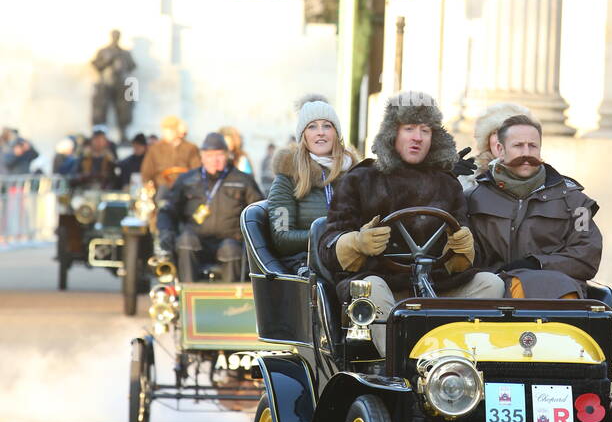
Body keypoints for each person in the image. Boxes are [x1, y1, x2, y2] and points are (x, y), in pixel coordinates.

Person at [319, 90, 504, 354]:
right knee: (372, 287)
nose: (417, 137)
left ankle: (459, 360)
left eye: (425, 130)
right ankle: (399, 365)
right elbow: (328, 244)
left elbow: (462, 251)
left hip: (436, 286)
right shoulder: (361, 179)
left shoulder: (447, 184)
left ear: (434, 138)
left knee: (491, 284)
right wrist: (358, 243)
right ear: (393, 133)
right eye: (409, 128)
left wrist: (462, 249)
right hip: (378, 285)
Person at [468, 114, 602, 298]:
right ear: (500, 149)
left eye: (532, 146)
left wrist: (536, 264)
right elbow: (462, 258)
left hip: (558, 299)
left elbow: (587, 255)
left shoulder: (576, 202)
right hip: (490, 301)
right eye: (518, 146)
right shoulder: (472, 200)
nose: (526, 153)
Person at [157, 132, 262, 283]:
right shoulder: (187, 180)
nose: (215, 160)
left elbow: (258, 210)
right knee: (185, 242)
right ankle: (187, 297)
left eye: (219, 155)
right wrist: (166, 231)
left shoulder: (243, 180)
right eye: (210, 155)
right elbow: (168, 210)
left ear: (227, 155)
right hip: (196, 241)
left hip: (230, 240)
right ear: (202, 156)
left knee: (230, 250)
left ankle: (232, 304)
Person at [268, 98, 357, 270]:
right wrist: (331, 237)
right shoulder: (287, 176)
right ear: (304, 136)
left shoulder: (356, 174)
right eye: (312, 126)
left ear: (336, 134)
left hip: (351, 258)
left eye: (327, 126)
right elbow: (281, 237)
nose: (320, 132)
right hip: (305, 262)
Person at [91, 29, 137, 141]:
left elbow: (132, 66)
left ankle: (123, 134)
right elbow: (96, 65)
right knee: (101, 109)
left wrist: (124, 64)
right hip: (106, 83)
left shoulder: (125, 53)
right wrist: (107, 61)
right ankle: (100, 135)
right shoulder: (103, 51)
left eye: (118, 36)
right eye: (114, 36)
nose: (116, 38)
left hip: (122, 84)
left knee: (124, 110)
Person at [140, 117, 200, 195]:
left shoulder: (190, 148)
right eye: (165, 130)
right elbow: (146, 173)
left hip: (184, 186)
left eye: (171, 130)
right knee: (163, 196)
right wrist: (149, 186)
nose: (167, 133)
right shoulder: (155, 149)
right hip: (161, 187)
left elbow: (196, 170)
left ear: (178, 131)